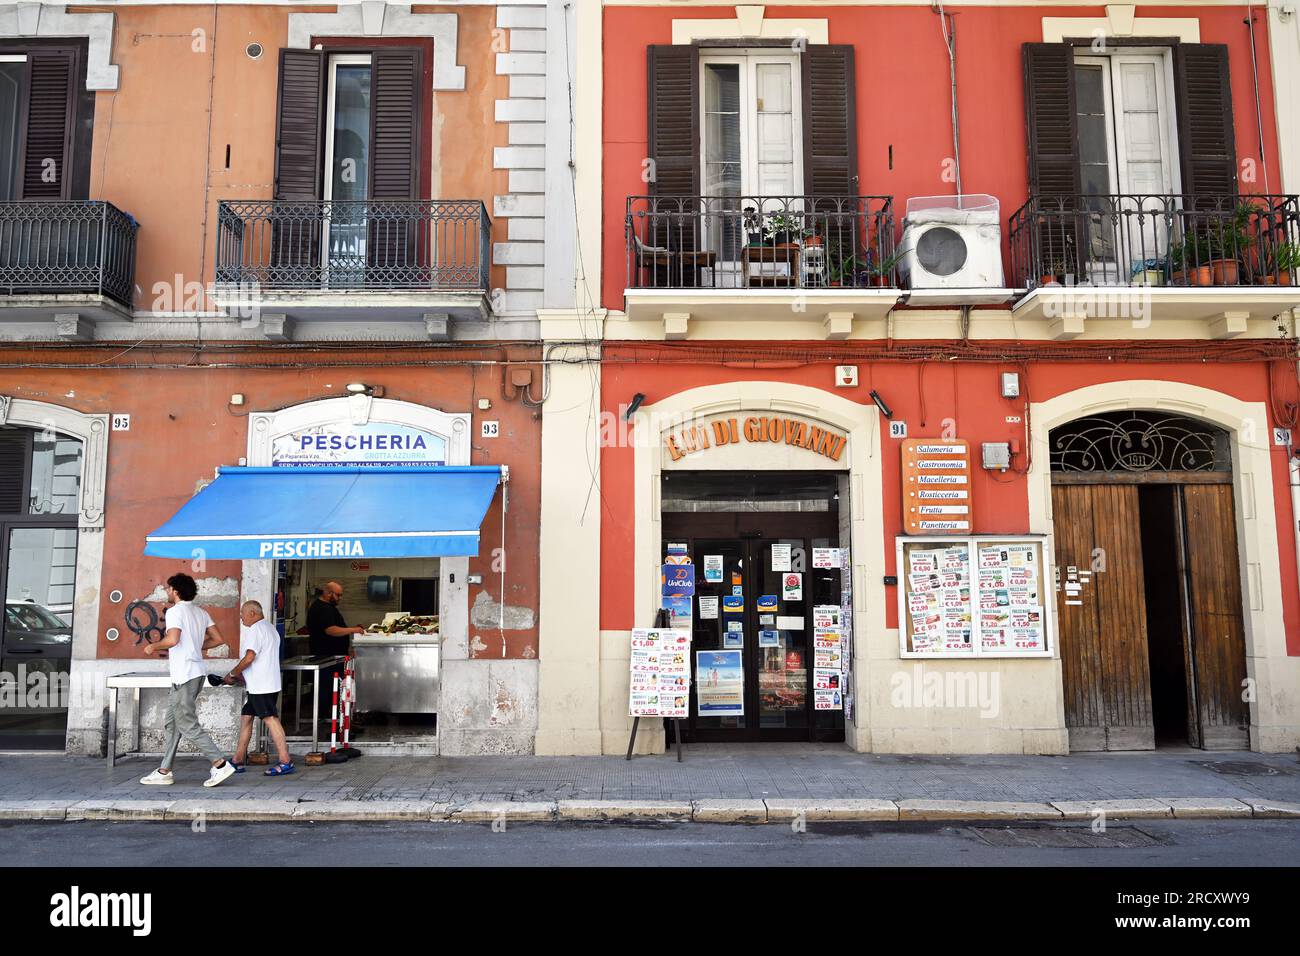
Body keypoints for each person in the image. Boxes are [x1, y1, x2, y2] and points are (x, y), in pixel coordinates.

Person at [139, 573, 236, 788]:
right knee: (172, 722)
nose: (166, 591)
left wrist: (154, 646)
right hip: (194, 673)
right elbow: (218, 639)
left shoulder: (175, 612)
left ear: (176, 591)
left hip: (185, 674)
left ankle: (220, 764)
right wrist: (194, 645)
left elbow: (173, 640)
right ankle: (164, 770)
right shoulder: (201, 612)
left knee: (187, 723)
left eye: (168, 588)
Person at [226, 600, 294, 776]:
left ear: (252, 613)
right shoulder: (270, 628)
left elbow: (250, 657)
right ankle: (237, 760)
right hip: (267, 683)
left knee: (271, 719)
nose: (240, 617)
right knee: (246, 718)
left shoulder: (255, 629)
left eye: (242, 613)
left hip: (261, 686)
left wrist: (233, 673)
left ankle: (286, 761)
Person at [306, 581, 364, 657]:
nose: (340, 598)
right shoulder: (324, 608)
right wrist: (353, 630)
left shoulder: (325, 606)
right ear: (329, 593)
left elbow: (334, 626)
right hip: (326, 657)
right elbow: (331, 630)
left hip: (333, 654)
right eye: (338, 595)